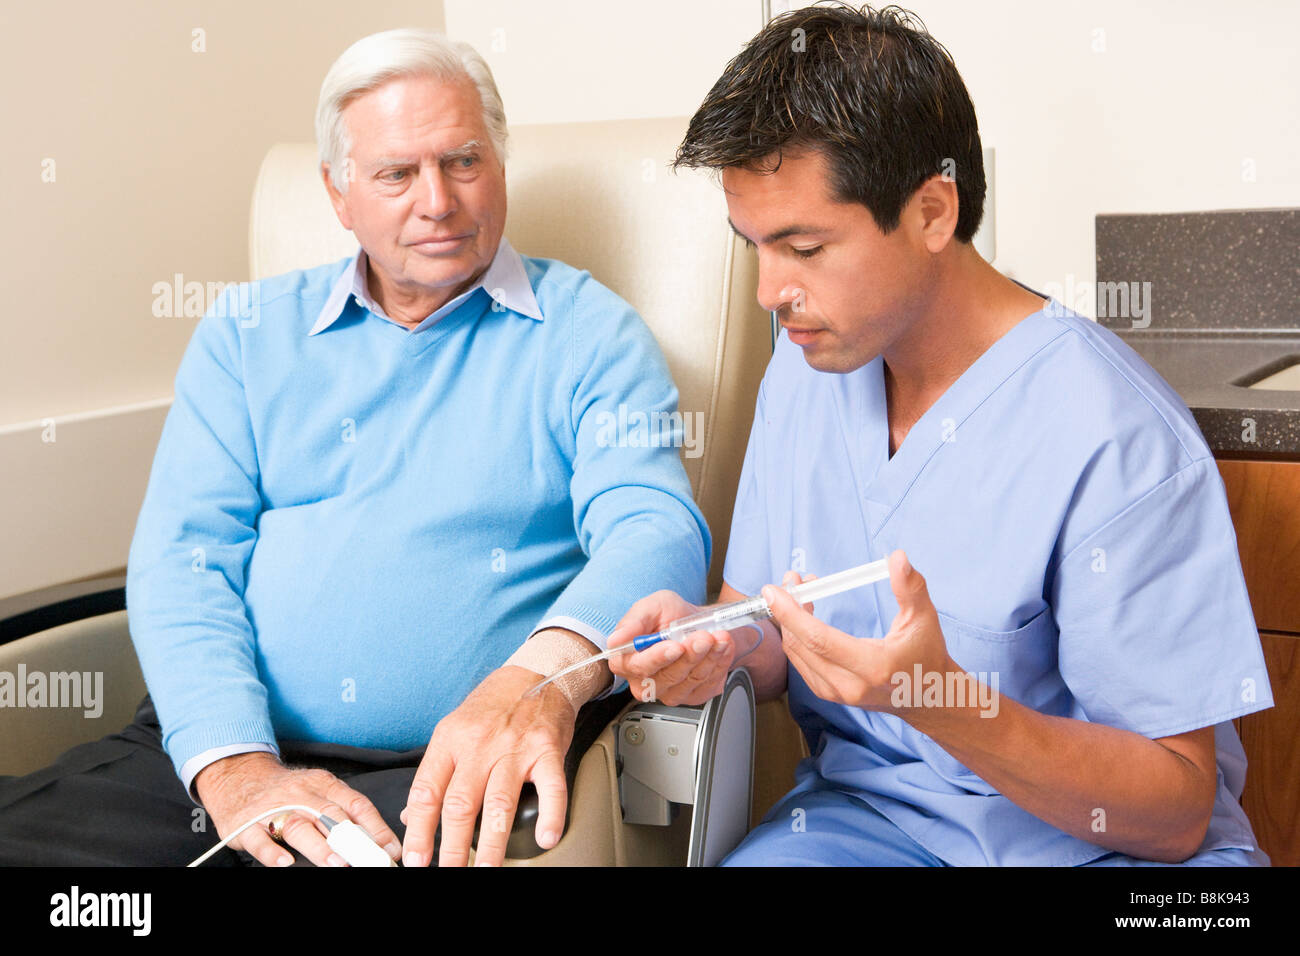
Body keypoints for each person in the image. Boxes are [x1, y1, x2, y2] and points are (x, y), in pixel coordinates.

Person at [0, 28, 708, 868]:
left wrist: (536, 683)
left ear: (501, 167)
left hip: (444, 775)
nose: (437, 200)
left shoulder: (590, 333)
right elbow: (185, 560)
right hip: (215, 757)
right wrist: (236, 767)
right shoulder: (245, 336)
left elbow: (655, 530)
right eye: (397, 174)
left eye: (464, 161)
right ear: (340, 195)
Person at [609, 3, 1273, 866]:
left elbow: (1178, 809)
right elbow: (774, 631)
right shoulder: (804, 373)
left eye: (804, 248)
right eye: (754, 247)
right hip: (865, 828)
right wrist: (719, 640)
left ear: (932, 211)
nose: (772, 290)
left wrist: (941, 699)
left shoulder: (1117, 437)